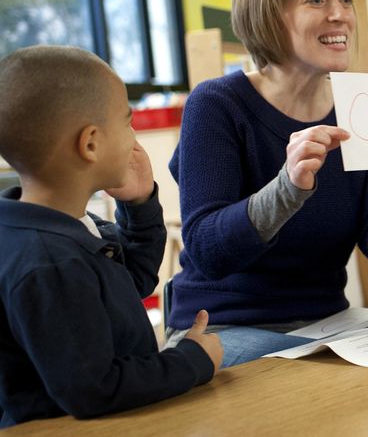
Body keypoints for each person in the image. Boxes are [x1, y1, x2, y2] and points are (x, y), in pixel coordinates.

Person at [165, 0, 368, 367]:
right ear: (268, 16)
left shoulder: (359, 103)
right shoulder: (217, 104)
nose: (341, 14)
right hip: (225, 326)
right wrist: (287, 188)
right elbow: (208, 250)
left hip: (327, 326)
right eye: (317, 0)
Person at [0, 46, 221, 427]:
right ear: (90, 144)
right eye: (126, 122)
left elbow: (130, 280)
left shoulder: (55, 225)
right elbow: (95, 389)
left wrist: (138, 205)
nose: (134, 137)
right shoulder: (51, 262)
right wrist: (191, 360)